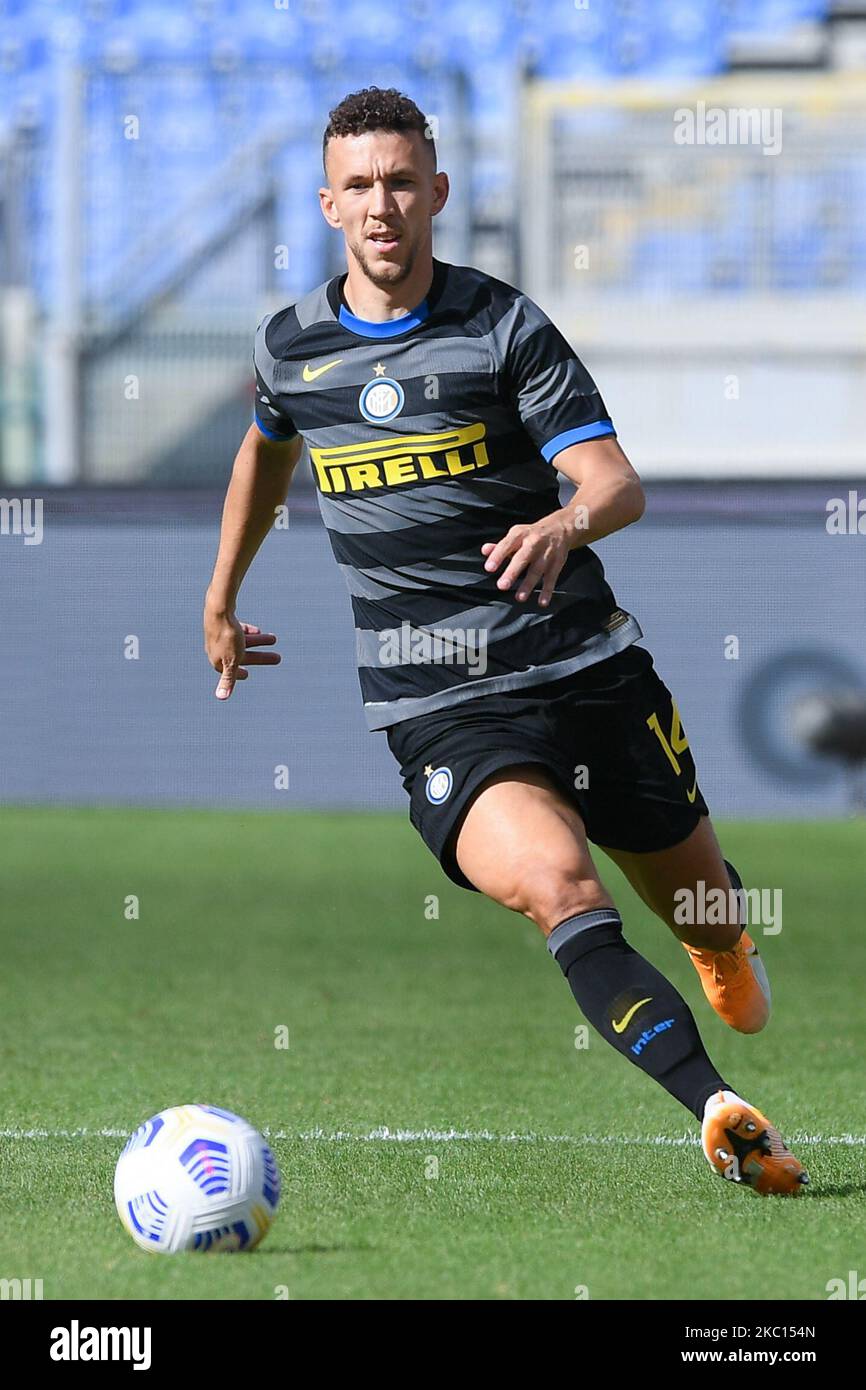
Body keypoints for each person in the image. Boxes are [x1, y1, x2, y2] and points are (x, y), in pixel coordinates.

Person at [204, 86, 807, 1196]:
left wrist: (562, 519)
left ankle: (716, 935)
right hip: (437, 701)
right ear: (327, 203)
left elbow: (613, 481)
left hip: (585, 668)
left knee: (704, 911)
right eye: (359, 186)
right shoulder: (288, 347)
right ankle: (715, 1105)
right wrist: (220, 592)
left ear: (433, 192)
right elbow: (264, 449)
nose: (381, 205)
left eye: (400, 182)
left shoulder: (502, 325)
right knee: (558, 890)